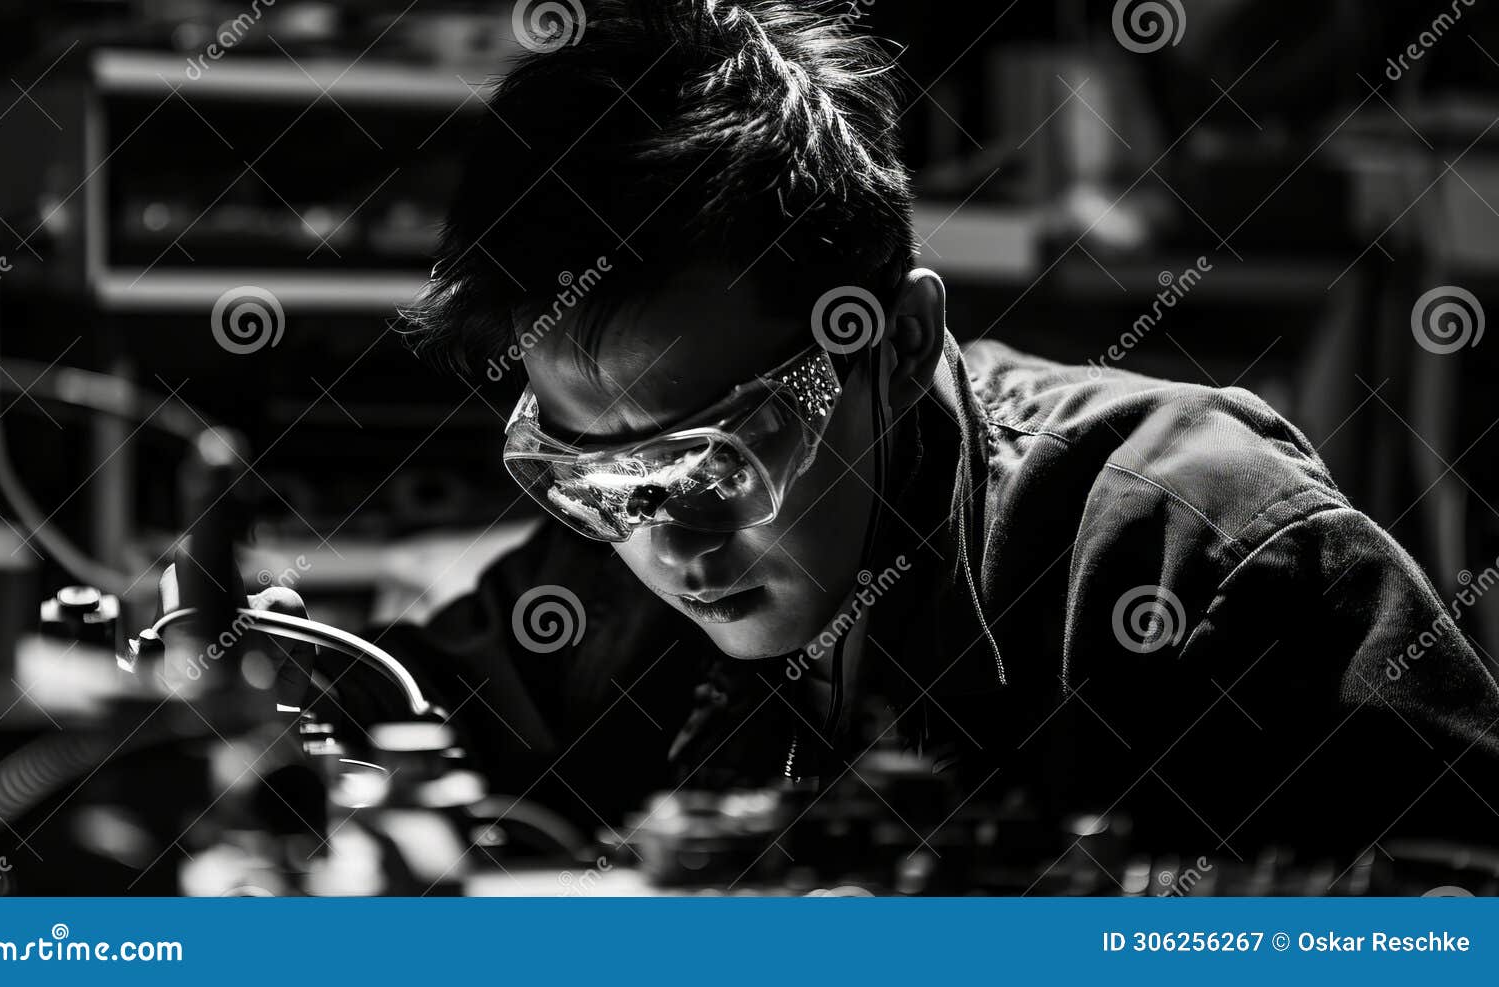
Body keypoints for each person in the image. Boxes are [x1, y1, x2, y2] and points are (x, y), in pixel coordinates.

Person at [337, 0, 1499, 864]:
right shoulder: (633, 560)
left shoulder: (1203, 554)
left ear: (893, 345)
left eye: (719, 461)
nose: (674, 546)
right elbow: (416, 708)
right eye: (599, 482)